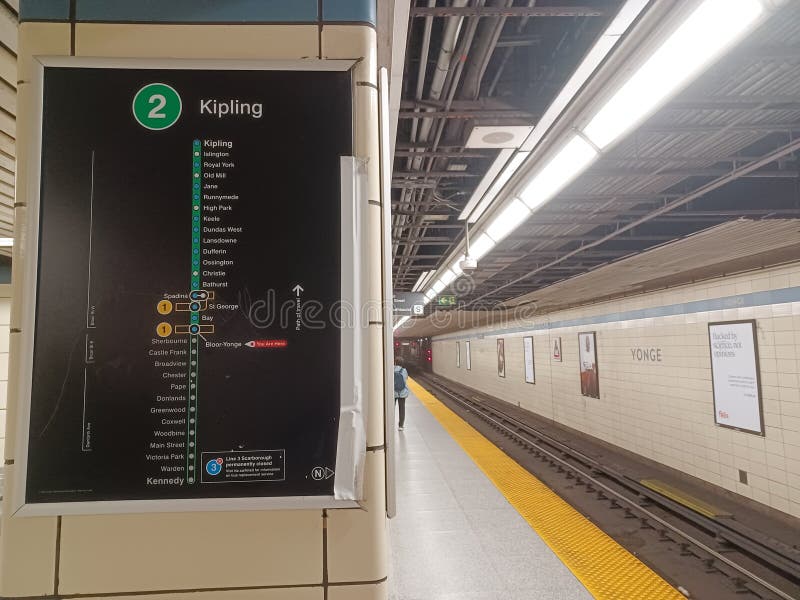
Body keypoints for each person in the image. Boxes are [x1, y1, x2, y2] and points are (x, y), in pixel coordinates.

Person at [394, 362, 409, 430]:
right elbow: (405, 379)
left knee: (391, 409)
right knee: (402, 408)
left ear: (395, 363)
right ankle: (401, 426)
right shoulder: (404, 370)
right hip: (402, 393)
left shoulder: (392, 369)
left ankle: (390, 423)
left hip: (393, 392)